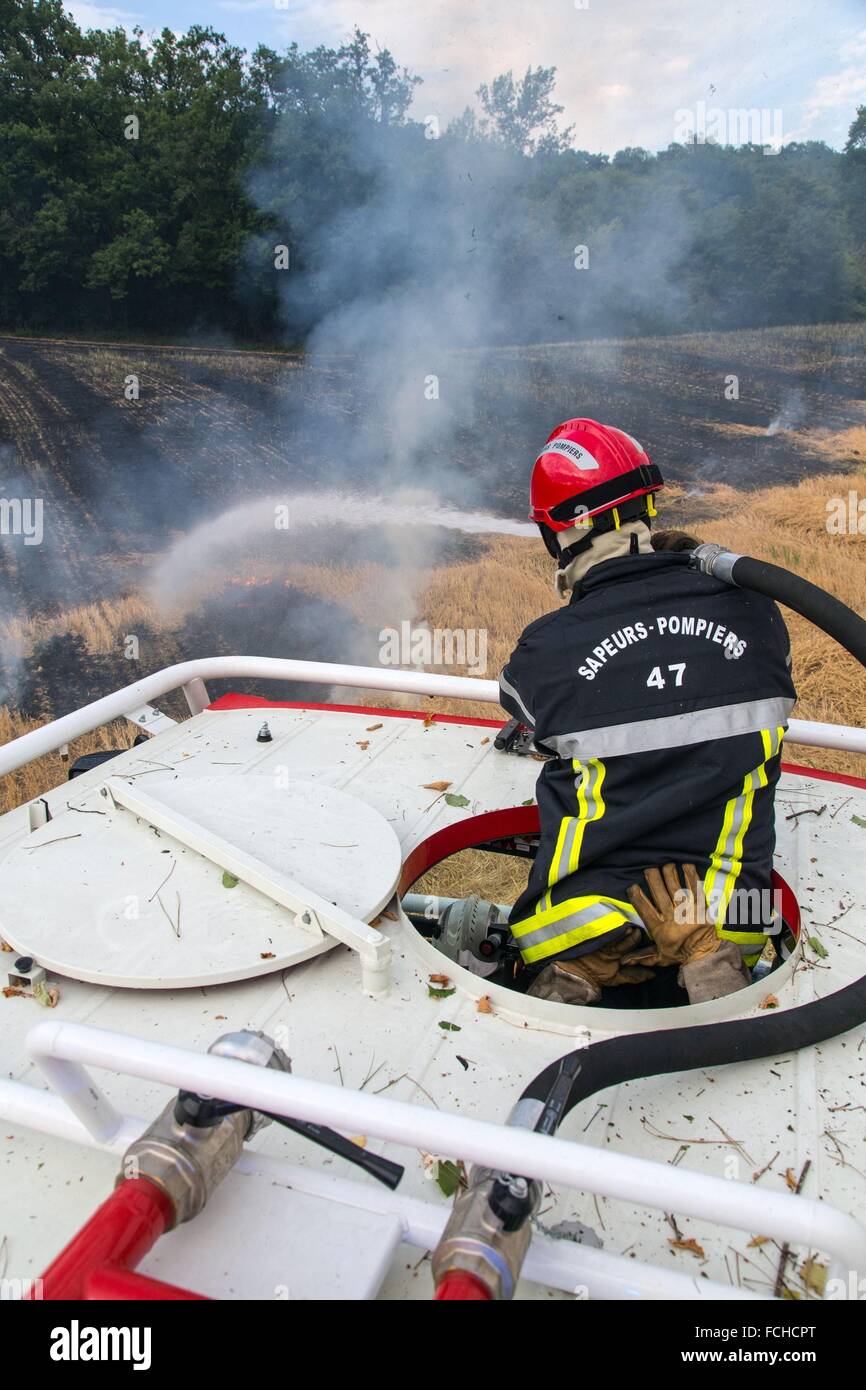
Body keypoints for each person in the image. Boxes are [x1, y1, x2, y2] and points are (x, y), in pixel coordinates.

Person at [498, 418, 796, 1007]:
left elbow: (523, 709)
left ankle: (574, 978)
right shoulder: (759, 612)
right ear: (648, 510)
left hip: (588, 923)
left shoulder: (548, 648)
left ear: (564, 530)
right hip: (734, 913)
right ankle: (712, 964)